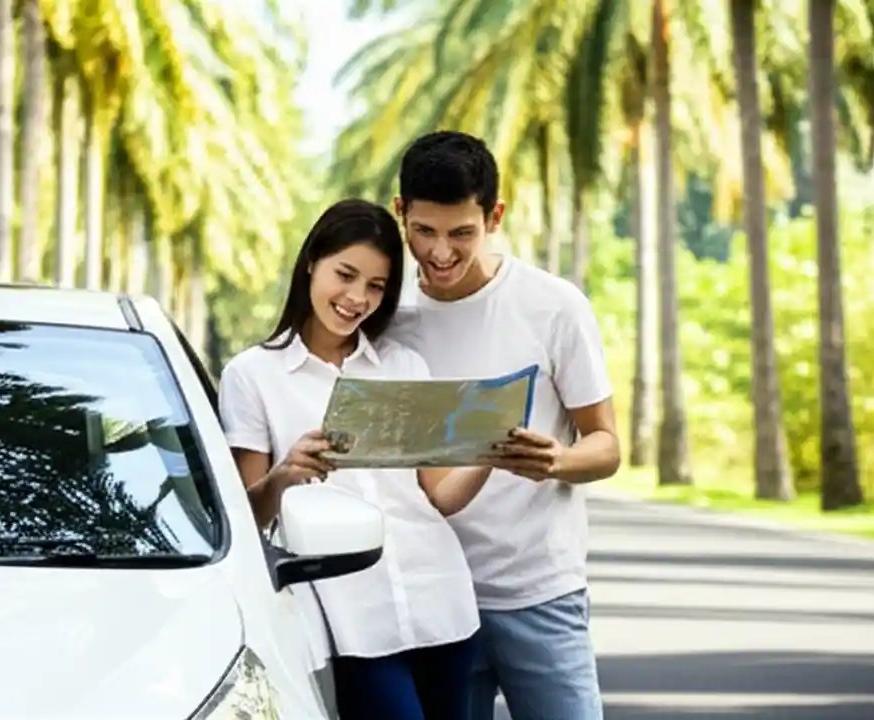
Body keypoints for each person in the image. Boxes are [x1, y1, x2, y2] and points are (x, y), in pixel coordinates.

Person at [218, 198, 497, 720]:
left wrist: (490, 453)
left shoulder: (403, 365)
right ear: (311, 264)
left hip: (442, 604)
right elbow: (245, 522)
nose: (356, 298)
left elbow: (440, 495)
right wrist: (284, 476)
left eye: (375, 286)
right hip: (352, 622)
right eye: (345, 275)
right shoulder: (253, 375)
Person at [385, 130, 621, 720]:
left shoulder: (552, 306)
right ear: (401, 214)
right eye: (424, 232)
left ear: (494, 216)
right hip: (432, 599)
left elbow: (608, 445)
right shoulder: (387, 320)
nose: (441, 253)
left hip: (538, 591)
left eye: (462, 233)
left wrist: (556, 461)